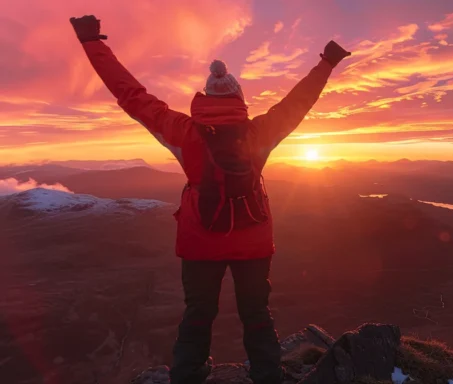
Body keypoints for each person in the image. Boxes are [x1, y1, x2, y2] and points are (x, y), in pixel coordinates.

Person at [69, 15, 351, 384]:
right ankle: (267, 375)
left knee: (199, 311)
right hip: (253, 240)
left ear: (204, 98)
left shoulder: (182, 132)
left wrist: (92, 43)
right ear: (238, 98)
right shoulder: (259, 132)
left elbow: (130, 92)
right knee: (256, 313)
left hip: (200, 238)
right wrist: (326, 63)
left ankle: (188, 373)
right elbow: (298, 102)